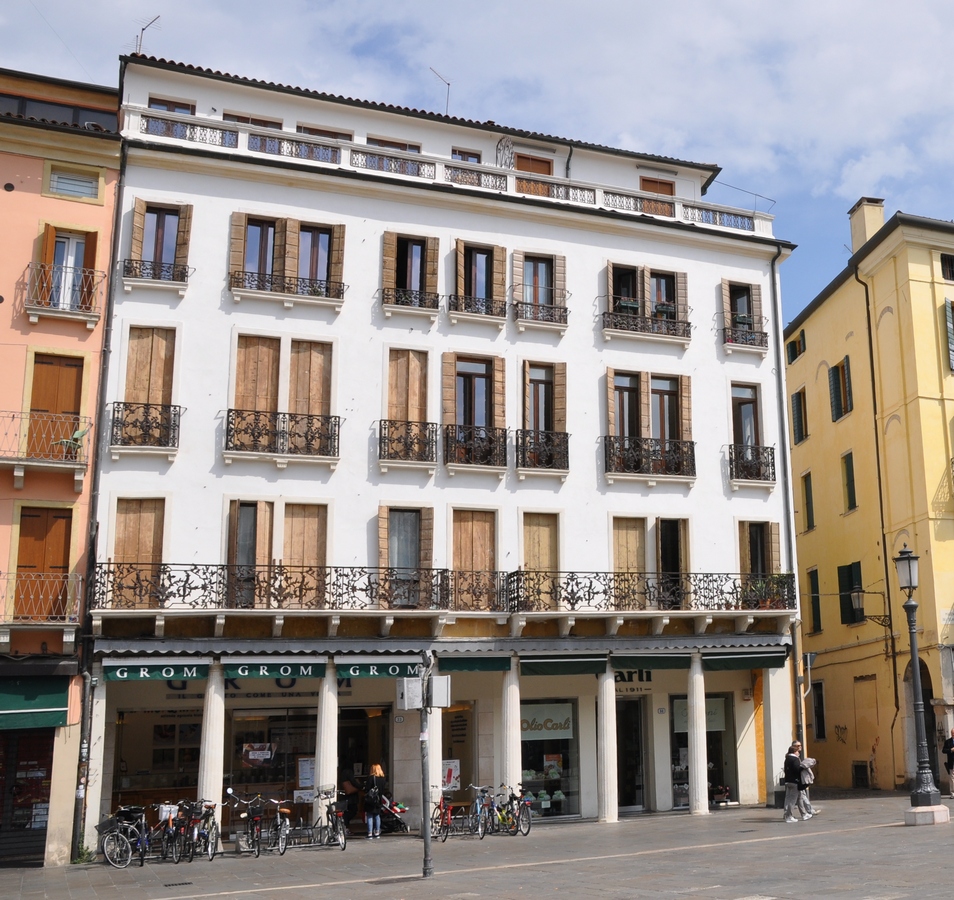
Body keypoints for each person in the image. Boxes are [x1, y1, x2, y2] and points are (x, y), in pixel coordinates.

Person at [365, 763, 387, 839]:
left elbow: (367, 789)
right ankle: (377, 832)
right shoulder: (383, 779)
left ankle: (370, 833)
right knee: (377, 816)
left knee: (370, 816)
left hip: (371, 799)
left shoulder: (371, 778)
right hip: (379, 799)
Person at [782, 742, 803, 823]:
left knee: (788, 798)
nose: (798, 753)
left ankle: (786, 814)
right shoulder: (795, 759)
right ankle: (789, 816)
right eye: (797, 751)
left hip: (787, 781)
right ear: (794, 752)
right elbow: (797, 770)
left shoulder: (787, 759)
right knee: (792, 800)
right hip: (794, 781)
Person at [340, 766, 361, 834]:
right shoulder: (349, 774)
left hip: (345, 798)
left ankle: (345, 826)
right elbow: (355, 783)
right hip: (351, 799)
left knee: (347, 812)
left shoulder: (342, 777)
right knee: (352, 811)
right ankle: (345, 826)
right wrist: (360, 786)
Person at [798, 754, 820, 819]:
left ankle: (809, 811)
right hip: (797, 782)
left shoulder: (798, 761)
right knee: (799, 797)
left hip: (797, 782)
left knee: (801, 796)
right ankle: (807, 812)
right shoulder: (799, 762)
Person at [942, 727, 954, 798]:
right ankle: (953, 793)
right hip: (951, 762)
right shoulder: (948, 741)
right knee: (952, 778)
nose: (953, 734)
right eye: (952, 733)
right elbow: (943, 750)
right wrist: (951, 750)